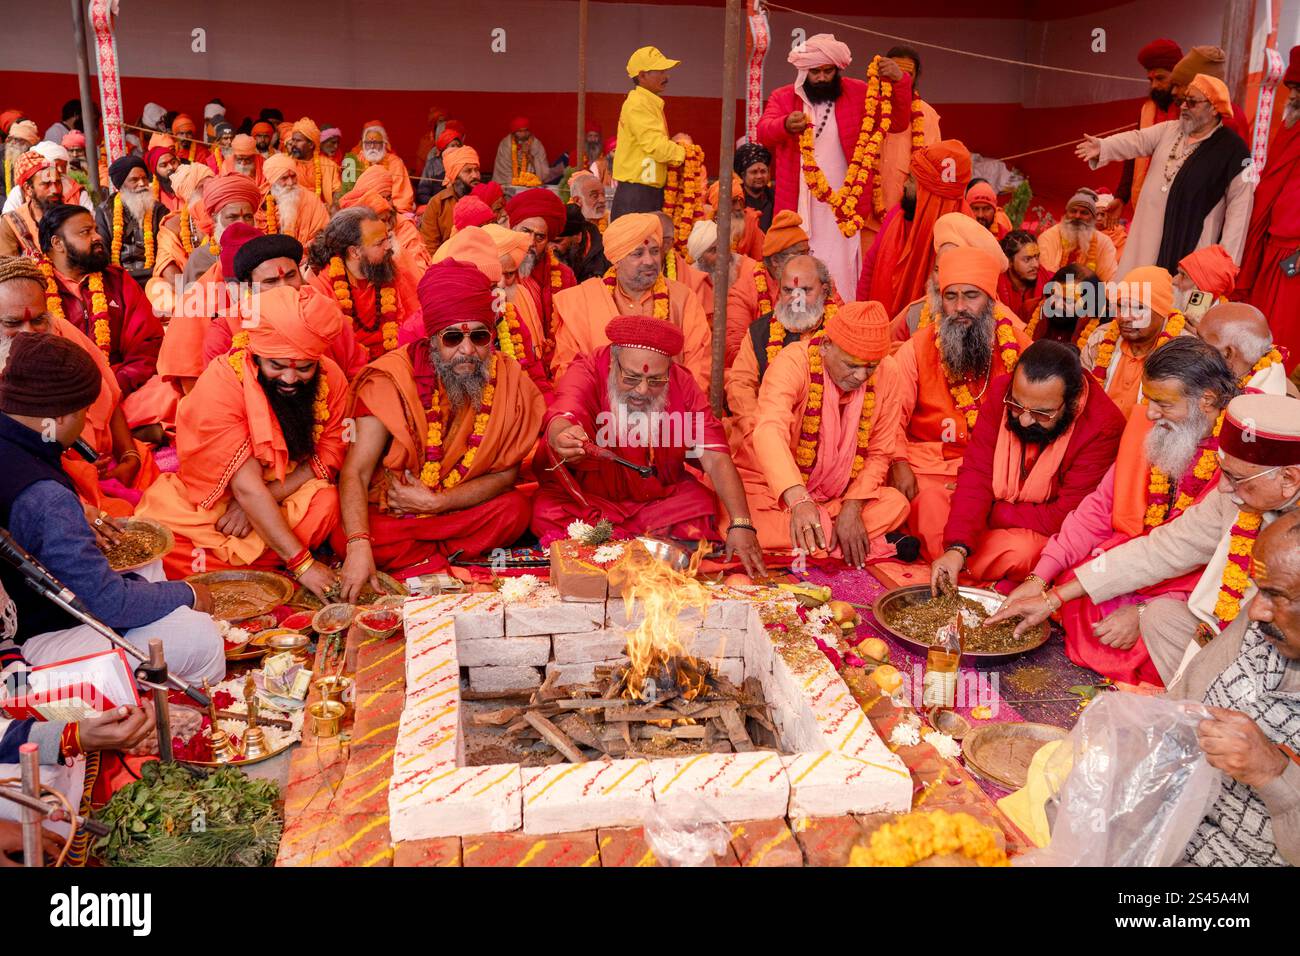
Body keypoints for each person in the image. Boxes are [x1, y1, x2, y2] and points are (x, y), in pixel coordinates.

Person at [993, 392, 1300, 686]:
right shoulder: (1235, 497)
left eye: (1235, 478)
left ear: (1289, 480)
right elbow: (1163, 549)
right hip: (1232, 634)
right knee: (1161, 617)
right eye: (1223, 473)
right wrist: (1052, 598)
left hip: (1287, 657)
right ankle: (1193, 706)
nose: (1222, 488)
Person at [996, 338, 1239, 685]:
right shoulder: (1151, 429)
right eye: (1148, 399)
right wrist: (1041, 578)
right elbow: (1097, 511)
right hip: (1138, 559)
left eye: (1163, 404)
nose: (1150, 413)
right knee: (1075, 575)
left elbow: (1213, 564)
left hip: (1193, 589)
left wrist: (1140, 612)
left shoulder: (1237, 463)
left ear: (1208, 400)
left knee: (1156, 624)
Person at [0, 332, 222, 682]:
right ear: (60, 417)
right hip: (25, 647)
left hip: (30, 608)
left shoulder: (18, 438)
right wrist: (189, 593)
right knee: (198, 636)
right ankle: (175, 720)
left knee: (150, 567)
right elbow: (110, 603)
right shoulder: (44, 497)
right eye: (84, 413)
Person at [337, 259, 544, 590]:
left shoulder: (508, 380)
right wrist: (359, 544)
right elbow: (356, 472)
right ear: (432, 338)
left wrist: (438, 503)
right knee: (345, 534)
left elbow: (506, 475)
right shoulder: (390, 379)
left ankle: (424, 562)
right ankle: (450, 560)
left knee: (516, 509)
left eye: (479, 337)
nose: (467, 351)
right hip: (399, 515)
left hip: (458, 508)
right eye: (452, 339)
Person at [135, 286, 350, 589]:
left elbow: (329, 456)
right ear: (255, 353)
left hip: (284, 488)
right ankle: (274, 562)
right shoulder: (223, 382)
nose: (290, 379)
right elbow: (245, 487)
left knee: (326, 502)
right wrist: (305, 566)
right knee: (171, 540)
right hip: (219, 496)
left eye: (304, 368)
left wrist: (265, 498)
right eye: (276, 366)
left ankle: (261, 562)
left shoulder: (331, 378)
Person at [533, 315, 766, 579]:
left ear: (669, 369)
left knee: (702, 507)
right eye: (631, 378)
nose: (643, 390)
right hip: (592, 502)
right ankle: (642, 545)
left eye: (656, 380)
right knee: (545, 512)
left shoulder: (682, 383)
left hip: (657, 502)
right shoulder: (586, 369)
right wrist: (562, 435)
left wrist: (742, 523)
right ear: (612, 362)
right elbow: (564, 410)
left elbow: (714, 455)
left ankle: (611, 545)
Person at [928, 339, 1124, 587]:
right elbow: (977, 473)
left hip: (1038, 530)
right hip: (1000, 513)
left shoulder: (1102, 426)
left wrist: (994, 510)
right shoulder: (1001, 393)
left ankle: (964, 562)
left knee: (1024, 551)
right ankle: (961, 560)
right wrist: (957, 546)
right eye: (1017, 407)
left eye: (1042, 414)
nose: (1025, 421)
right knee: (930, 500)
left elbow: (1064, 516)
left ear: (1072, 402)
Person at [1165, 509, 1300, 867]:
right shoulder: (1261, 626)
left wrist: (1274, 772)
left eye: (1275, 595)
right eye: (1259, 591)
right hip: (1180, 822)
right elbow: (1184, 697)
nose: (1255, 611)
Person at [890, 247, 1031, 560]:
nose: (960, 307)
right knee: (932, 513)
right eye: (950, 296)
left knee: (1016, 541)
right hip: (930, 469)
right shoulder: (917, 348)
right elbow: (891, 418)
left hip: (997, 471)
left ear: (991, 300)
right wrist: (898, 462)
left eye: (971, 295)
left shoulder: (1019, 348)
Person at [742, 301, 910, 563]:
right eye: (851, 364)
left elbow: (880, 452)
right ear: (825, 346)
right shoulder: (792, 362)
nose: (860, 376)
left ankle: (817, 537)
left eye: (870, 366)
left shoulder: (889, 372)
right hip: (776, 489)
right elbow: (769, 430)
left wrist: (853, 508)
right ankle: (845, 541)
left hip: (841, 496)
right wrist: (798, 499)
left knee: (896, 504)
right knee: (744, 518)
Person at [0, 255, 158, 516]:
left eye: (38, 319)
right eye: (12, 323)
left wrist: (130, 457)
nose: (29, 333)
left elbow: (107, 395)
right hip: (45, 485)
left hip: (110, 463)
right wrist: (76, 477)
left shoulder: (59, 331)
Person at [756, 34, 906, 296]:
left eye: (828, 71)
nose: (823, 77)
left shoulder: (858, 92)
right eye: (816, 72)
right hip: (800, 203)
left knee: (842, 268)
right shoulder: (783, 98)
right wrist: (784, 125)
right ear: (804, 71)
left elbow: (897, 122)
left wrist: (900, 81)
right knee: (798, 263)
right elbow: (763, 132)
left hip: (844, 205)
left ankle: (841, 320)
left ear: (837, 69)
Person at [1077, 73, 1252, 275]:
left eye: (1192, 102)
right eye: (1184, 100)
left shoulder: (1233, 150)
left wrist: (1225, 261)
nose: (1184, 106)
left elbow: (1240, 209)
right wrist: (1103, 146)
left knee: (1176, 301)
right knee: (1135, 292)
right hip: (1147, 237)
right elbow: (1137, 140)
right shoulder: (1170, 129)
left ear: (1214, 108)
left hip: (1193, 247)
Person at [551, 212, 711, 392]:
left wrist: (676, 408)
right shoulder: (579, 302)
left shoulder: (683, 299)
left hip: (669, 409)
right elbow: (568, 371)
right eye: (638, 253)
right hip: (601, 409)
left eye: (654, 251)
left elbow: (699, 365)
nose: (649, 261)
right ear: (617, 260)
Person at [38, 204, 162, 402]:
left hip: (123, 388)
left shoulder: (118, 280)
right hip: (63, 398)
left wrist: (117, 385)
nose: (98, 237)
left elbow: (147, 343)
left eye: (95, 229)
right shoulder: (36, 288)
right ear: (57, 243)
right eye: (86, 232)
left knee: (166, 395)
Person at [1234, 50, 1300, 369]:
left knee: (1283, 342)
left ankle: (1273, 400)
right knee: (1259, 333)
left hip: (1295, 258)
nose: (1295, 97)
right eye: (1294, 90)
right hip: (1269, 250)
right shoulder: (1288, 130)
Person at [726, 254, 833, 447]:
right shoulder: (760, 331)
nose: (795, 299)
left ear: (824, 291)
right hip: (766, 432)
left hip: (826, 439)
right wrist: (758, 429)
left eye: (805, 290)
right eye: (788, 290)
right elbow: (740, 384)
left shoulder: (839, 330)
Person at [861, 140, 972, 312]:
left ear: (928, 191)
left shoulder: (967, 234)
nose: (904, 185)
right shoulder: (897, 215)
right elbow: (870, 265)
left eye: (912, 180)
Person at [306, 206, 421, 362]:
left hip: (396, 359)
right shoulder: (323, 289)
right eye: (380, 243)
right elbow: (331, 353)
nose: (389, 246)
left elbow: (413, 322)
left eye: (387, 238)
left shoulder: (392, 270)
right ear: (355, 252)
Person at [1079, 265, 1190, 418]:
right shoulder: (1100, 339)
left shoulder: (1184, 354)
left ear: (1162, 311)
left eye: (1138, 308)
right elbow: (1079, 396)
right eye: (1120, 306)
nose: (1125, 316)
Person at [887, 209, 1009, 344]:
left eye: (951, 270)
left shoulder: (1007, 325)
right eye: (937, 269)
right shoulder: (913, 315)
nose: (941, 279)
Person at [611, 46, 686, 219]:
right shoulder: (638, 104)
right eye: (660, 71)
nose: (666, 76)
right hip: (638, 194)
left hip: (646, 192)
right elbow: (656, 146)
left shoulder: (648, 102)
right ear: (642, 75)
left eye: (665, 70)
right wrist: (685, 151)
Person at [1114, 38, 1182, 213]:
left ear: (1178, 75)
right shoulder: (1147, 109)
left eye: (1160, 78)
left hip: (1176, 202)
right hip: (1147, 200)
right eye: (1151, 80)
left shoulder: (1190, 108)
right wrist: (1121, 197)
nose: (1155, 86)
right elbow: (1134, 151)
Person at [507, 187, 576, 340]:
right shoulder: (496, 271)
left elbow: (571, 328)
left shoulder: (565, 277)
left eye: (540, 237)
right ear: (512, 229)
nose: (531, 242)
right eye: (525, 232)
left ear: (548, 241)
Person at [93, 156, 166, 287]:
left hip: (154, 278)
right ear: (120, 185)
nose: (142, 183)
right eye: (134, 180)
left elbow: (165, 251)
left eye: (144, 178)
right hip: (118, 280)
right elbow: (103, 253)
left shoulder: (159, 210)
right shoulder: (104, 212)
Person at [1196, 302, 1296, 396]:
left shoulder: (1251, 407)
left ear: (1228, 353)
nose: (1194, 344)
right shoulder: (1247, 369)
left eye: (1200, 340)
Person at [1033, 187, 1118, 282]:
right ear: (1065, 214)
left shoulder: (1104, 242)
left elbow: (1110, 280)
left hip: (1090, 294)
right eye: (1073, 211)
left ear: (1093, 218)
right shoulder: (1048, 237)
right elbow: (1045, 276)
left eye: (1084, 213)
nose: (1077, 216)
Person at [419, 144, 479, 257]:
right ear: (455, 176)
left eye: (476, 170)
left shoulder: (485, 199)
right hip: (445, 263)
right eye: (468, 171)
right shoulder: (437, 203)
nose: (475, 175)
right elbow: (430, 246)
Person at [341, 121, 414, 213]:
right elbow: (347, 194)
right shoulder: (353, 162)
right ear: (363, 145)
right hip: (361, 213)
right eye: (368, 143)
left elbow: (401, 199)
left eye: (376, 143)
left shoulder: (395, 163)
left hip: (389, 212)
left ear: (384, 144)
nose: (372, 146)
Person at [0, 151, 63, 257]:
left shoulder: (73, 216)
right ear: (28, 189)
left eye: (57, 182)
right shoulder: (11, 223)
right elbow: (9, 270)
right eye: (46, 184)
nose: (55, 190)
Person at [259, 153, 329, 247]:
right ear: (272, 180)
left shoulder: (312, 200)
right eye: (284, 178)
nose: (290, 183)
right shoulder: (260, 200)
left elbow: (322, 234)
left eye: (293, 176)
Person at [1174, 243, 1237, 326]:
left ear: (1203, 290)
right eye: (1178, 273)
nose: (1173, 280)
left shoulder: (1219, 326)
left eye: (1183, 275)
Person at [285, 118, 342, 207]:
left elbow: (337, 190)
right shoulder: (285, 164)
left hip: (320, 211)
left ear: (311, 145)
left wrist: (334, 206)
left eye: (298, 141)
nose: (293, 144)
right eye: (293, 140)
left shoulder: (329, 165)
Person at [494, 116, 557, 187]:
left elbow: (543, 172)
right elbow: (503, 170)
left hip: (530, 184)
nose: (523, 134)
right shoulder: (506, 144)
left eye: (526, 130)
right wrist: (516, 184)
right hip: (509, 183)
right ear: (513, 132)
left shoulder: (536, 144)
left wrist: (529, 154)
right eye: (520, 131)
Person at [998, 229, 1041, 326]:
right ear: (1009, 262)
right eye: (1027, 259)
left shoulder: (1049, 281)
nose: (1036, 265)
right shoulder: (996, 286)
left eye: (1037, 257)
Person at [734, 142, 775, 231]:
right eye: (754, 172)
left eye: (763, 171)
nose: (759, 176)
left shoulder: (775, 197)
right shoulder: (734, 199)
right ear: (743, 175)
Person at [145, 144, 183, 214]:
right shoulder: (151, 196)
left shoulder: (192, 184)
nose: (171, 167)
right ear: (155, 171)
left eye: (173, 162)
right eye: (164, 165)